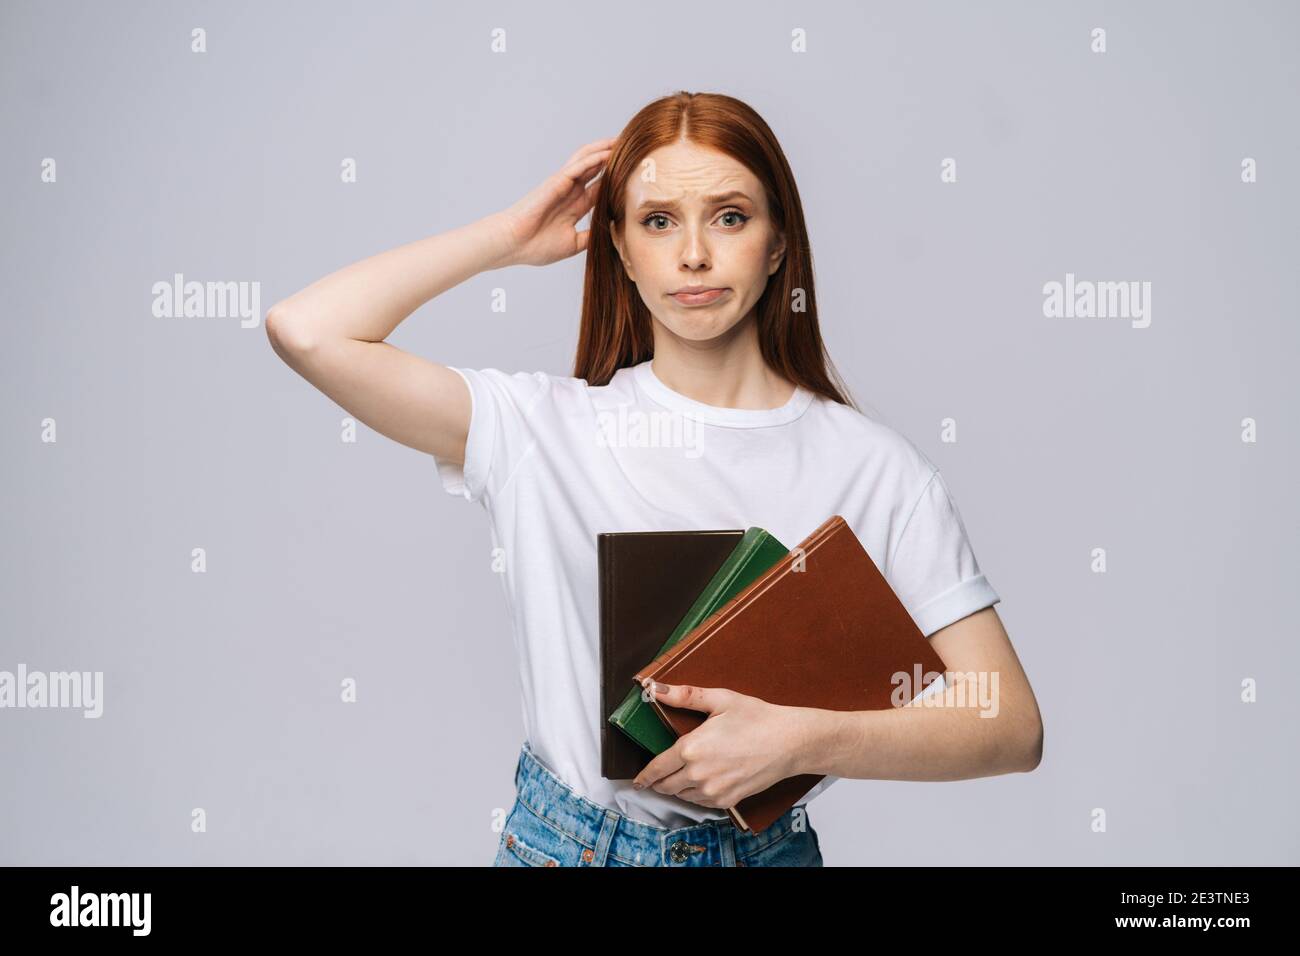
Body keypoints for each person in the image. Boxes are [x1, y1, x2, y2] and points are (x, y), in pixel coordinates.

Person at [266, 90, 1044, 867]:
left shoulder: (875, 468)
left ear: (778, 244)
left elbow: (1008, 723)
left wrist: (805, 739)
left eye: (731, 217)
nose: (694, 253)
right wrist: (507, 238)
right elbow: (307, 330)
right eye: (658, 220)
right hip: (566, 851)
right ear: (621, 248)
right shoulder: (540, 429)